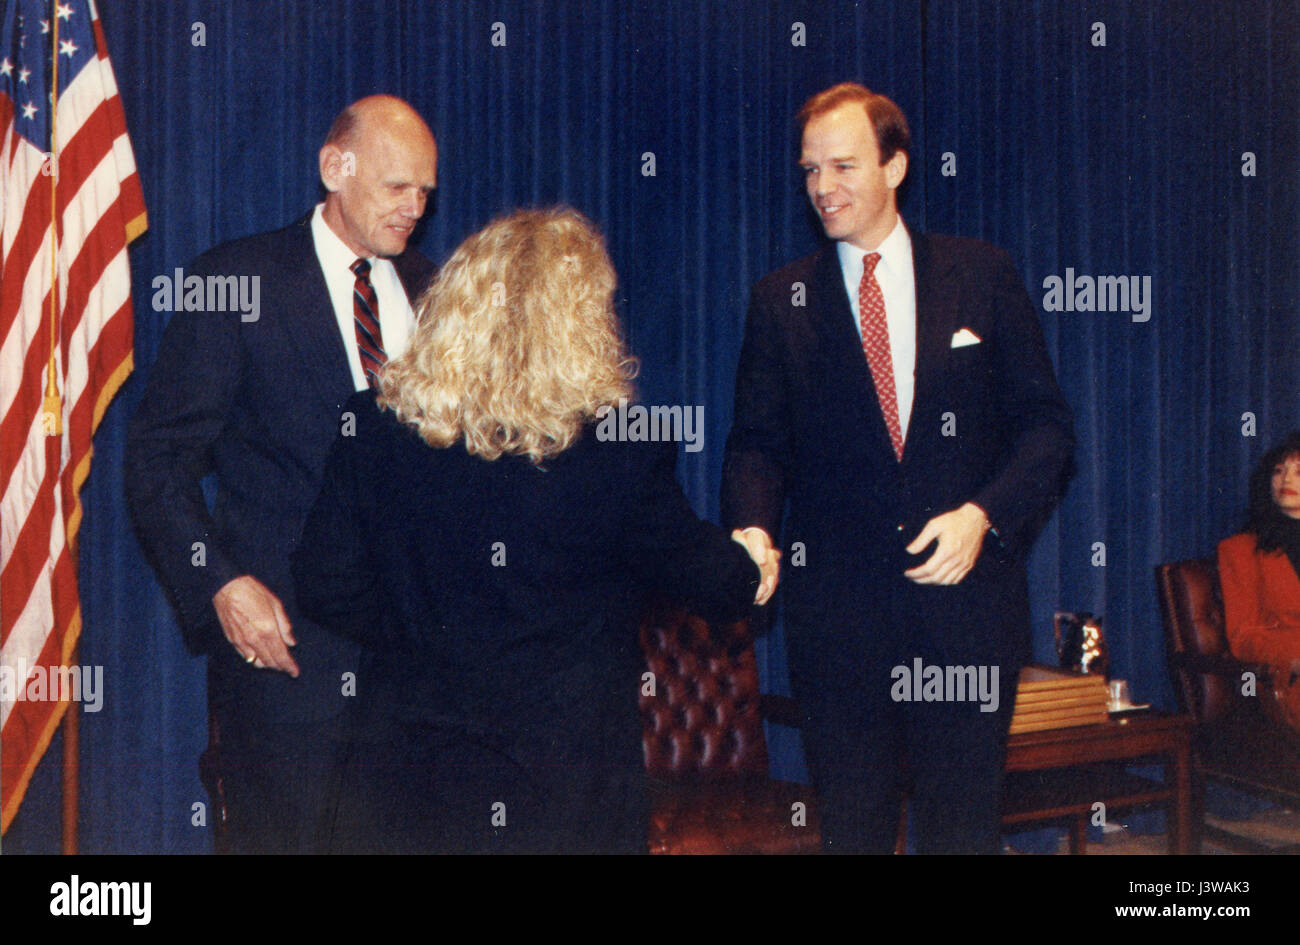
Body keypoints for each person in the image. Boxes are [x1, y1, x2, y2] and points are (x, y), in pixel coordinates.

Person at [291, 207, 763, 853]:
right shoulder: (617, 449)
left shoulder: (373, 428)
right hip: (561, 790)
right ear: (583, 321)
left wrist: (428, 637)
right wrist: (753, 559)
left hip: (403, 780)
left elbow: (324, 582)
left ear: (454, 305)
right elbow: (718, 583)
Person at [721, 82, 1074, 853]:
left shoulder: (982, 275)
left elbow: (1047, 430)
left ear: (896, 166)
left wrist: (983, 516)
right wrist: (751, 527)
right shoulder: (781, 300)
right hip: (839, 624)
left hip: (966, 616)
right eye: (810, 169)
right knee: (855, 830)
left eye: (843, 166)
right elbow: (756, 445)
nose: (822, 186)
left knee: (963, 831)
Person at [124, 95, 439, 853]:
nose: (415, 207)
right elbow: (156, 461)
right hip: (289, 666)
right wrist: (220, 584)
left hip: (416, 672)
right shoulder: (237, 281)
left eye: (426, 191)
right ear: (335, 167)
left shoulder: (437, 290)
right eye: (398, 186)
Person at [1218, 431, 1300, 730]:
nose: (1286, 479)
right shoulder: (1239, 550)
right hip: (1285, 683)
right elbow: (1243, 638)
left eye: (1299, 471)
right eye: (1279, 471)